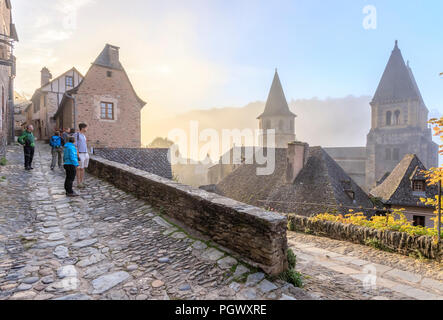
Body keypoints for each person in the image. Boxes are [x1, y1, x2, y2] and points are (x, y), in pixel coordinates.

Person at [74, 123, 89, 188]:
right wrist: (77, 155)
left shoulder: (84, 135)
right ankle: (78, 183)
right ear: (82, 128)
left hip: (85, 153)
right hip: (80, 153)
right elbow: (75, 145)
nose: (87, 129)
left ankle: (82, 182)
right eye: (86, 127)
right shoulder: (76, 135)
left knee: (83, 168)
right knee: (78, 169)